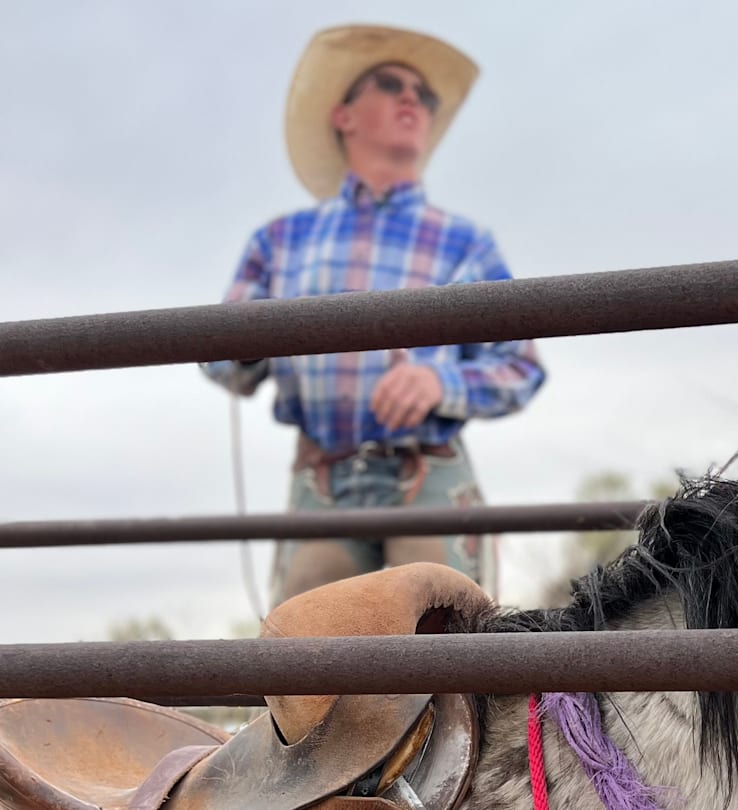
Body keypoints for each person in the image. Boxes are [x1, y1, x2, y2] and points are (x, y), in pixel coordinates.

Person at [202, 24, 545, 605]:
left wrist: (441, 380)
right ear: (344, 116)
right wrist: (252, 338)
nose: (413, 97)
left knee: (451, 671)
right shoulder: (280, 241)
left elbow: (521, 367)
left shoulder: (465, 243)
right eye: (390, 84)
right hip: (322, 481)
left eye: (424, 95)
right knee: (307, 672)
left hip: (428, 475)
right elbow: (222, 362)